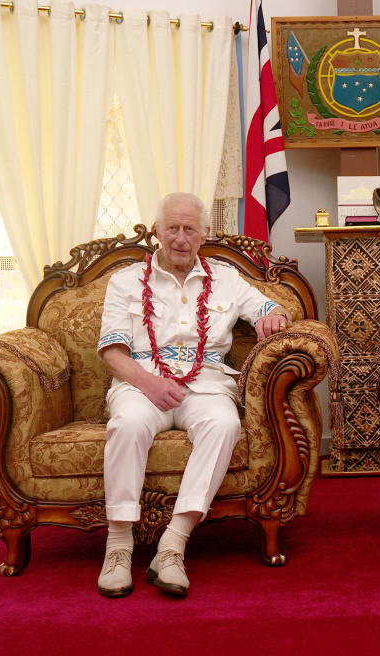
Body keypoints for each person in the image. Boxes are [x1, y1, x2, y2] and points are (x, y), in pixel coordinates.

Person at [95, 192, 291, 598]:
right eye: (172, 228)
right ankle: (117, 548)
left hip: (205, 385)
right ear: (157, 232)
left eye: (189, 229)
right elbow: (112, 352)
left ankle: (173, 543)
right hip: (141, 383)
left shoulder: (227, 278)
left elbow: (270, 307)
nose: (180, 238)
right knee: (128, 423)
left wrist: (273, 316)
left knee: (224, 423)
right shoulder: (125, 281)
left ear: (204, 235)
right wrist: (150, 383)